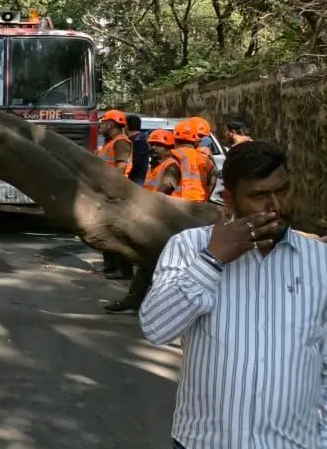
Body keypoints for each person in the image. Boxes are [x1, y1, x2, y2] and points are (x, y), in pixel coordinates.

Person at [139, 141, 327, 449]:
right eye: (259, 196)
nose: (276, 206)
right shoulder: (188, 248)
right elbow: (156, 328)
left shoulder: (319, 261)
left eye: (283, 191)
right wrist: (212, 259)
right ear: (229, 200)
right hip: (203, 443)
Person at [98, 110, 135, 280]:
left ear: (112, 124)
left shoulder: (121, 142)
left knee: (117, 233)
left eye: (104, 122)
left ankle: (122, 269)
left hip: (116, 193)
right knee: (107, 231)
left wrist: (109, 187)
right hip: (108, 191)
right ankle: (110, 266)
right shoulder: (111, 142)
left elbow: (121, 167)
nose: (101, 126)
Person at [171, 123, 216, 202]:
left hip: (177, 203)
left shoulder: (172, 155)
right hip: (200, 201)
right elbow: (213, 177)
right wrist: (207, 196)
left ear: (174, 139)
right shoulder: (204, 157)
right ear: (196, 140)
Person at [142, 129, 181, 196]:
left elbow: (166, 187)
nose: (153, 147)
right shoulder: (152, 165)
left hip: (164, 204)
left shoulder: (172, 166)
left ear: (169, 149)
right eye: (151, 144)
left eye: (159, 145)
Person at [126, 114, 150, 186]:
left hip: (136, 179)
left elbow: (137, 163)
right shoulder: (144, 138)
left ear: (127, 126)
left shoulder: (137, 141)